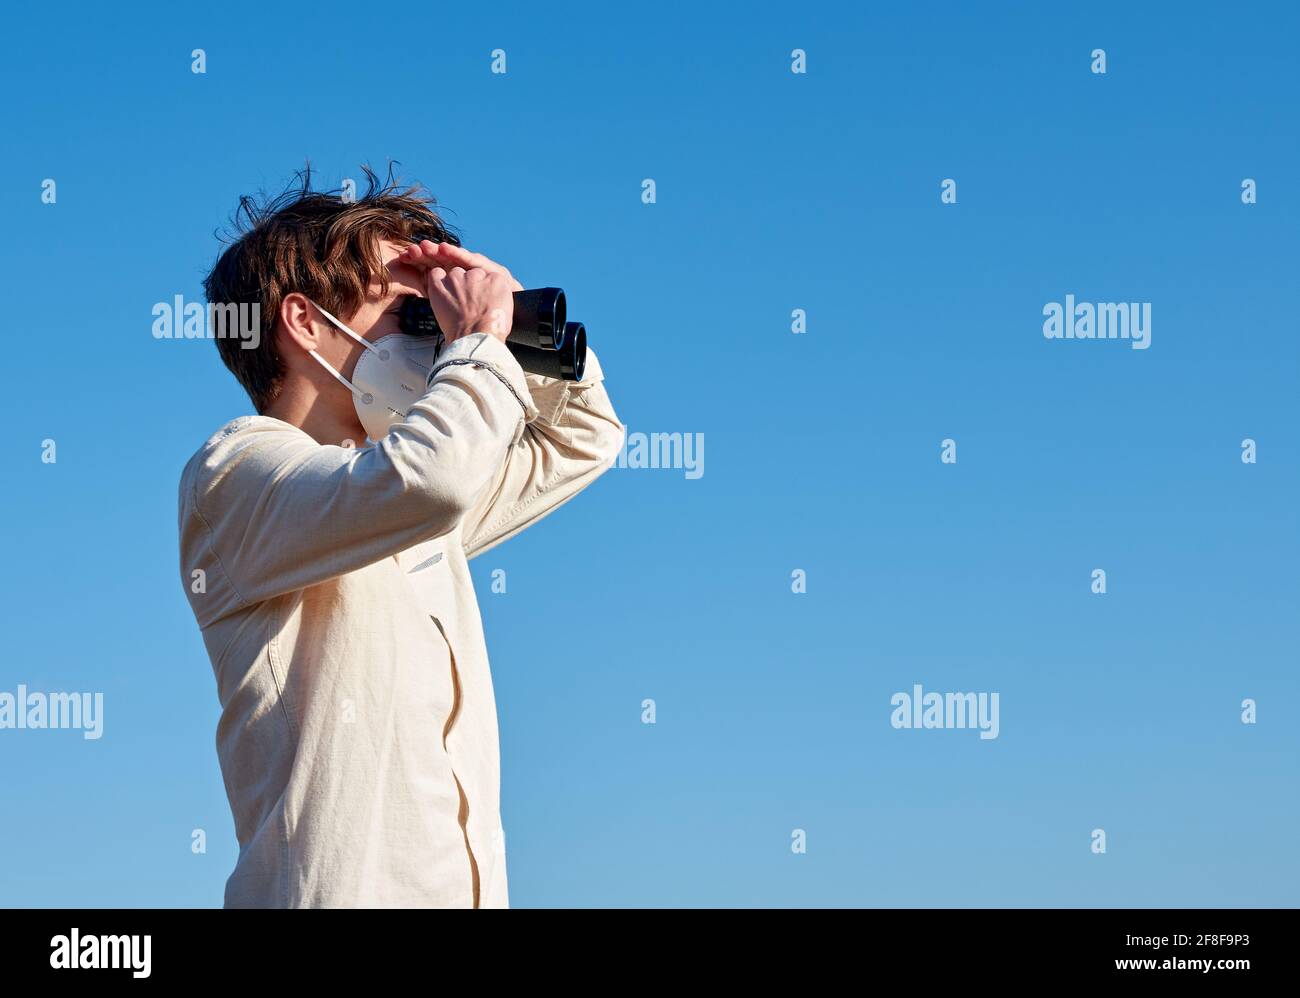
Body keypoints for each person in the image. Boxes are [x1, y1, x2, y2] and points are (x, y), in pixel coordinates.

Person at [177, 167, 623, 907]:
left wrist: (508, 317)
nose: (434, 340)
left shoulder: (392, 507)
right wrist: (476, 339)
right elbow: (433, 477)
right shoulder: (238, 474)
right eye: (411, 316)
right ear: (305, 321)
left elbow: (583, 438)